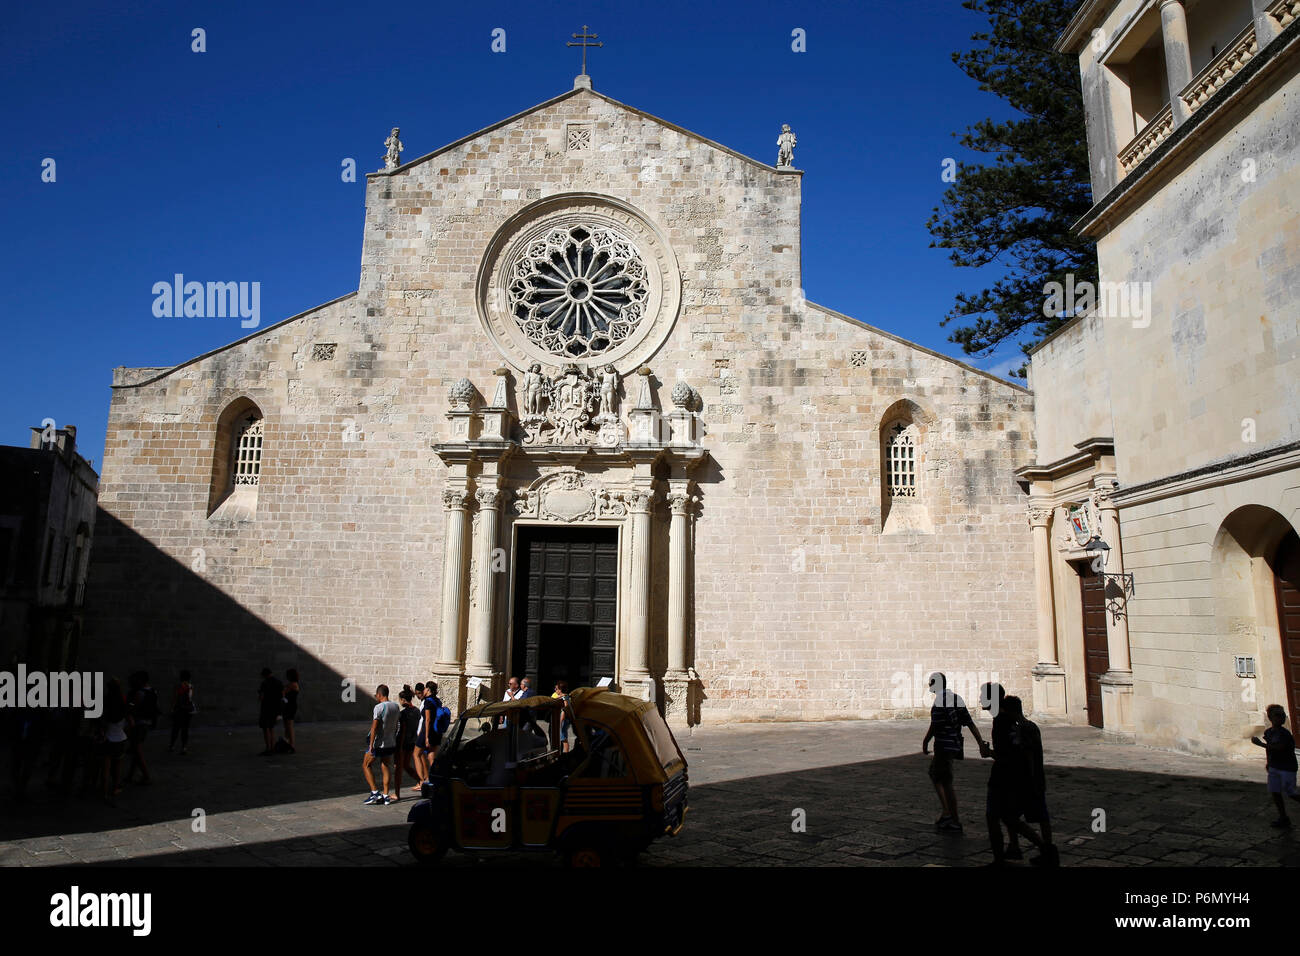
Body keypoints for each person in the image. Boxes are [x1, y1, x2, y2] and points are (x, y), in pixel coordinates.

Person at [979, 685, 1054, 865]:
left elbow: (1009, 754)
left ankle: (1006, 858)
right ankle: (1031, 848)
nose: (981, 698)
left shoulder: (1001, 721)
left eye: (983, 695)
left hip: (1003, 778)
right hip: (1011, 777)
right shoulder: (1007, 720)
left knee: (996, 817)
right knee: (1008, 818)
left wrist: (988, 752)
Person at [921, 672, 985, 832]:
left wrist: (925, 741)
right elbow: (969, 723)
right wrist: (980, 743)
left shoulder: (939, 702)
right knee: (937, 775)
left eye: (930, 683)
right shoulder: (957, 698)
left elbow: (934, 726)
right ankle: (948, 813)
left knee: (945, 781)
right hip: (955, 744)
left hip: (943, 746)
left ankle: (952, 816)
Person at [1251, 704, 1300, 828]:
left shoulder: (1285, 734)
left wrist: (1260, 744)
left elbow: (1279, 748)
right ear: (1270, 717)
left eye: (1282, 715)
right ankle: (1283, 817)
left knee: (1291, 792)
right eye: (1277, 715)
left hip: (1287, 766)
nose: (1281, 717)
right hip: (1275, 766)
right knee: (1275, 791)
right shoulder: (1269, 732)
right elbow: (1270, 750)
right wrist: (1268, 762)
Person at [363, 684, 400, 805]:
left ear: (379, 695)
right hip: (390, 742)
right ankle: (385, 794)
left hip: (379, 743)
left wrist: (371, 745)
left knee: (366, 765)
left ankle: (374, 792)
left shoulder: (379, 707)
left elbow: (374, 728)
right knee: (385, 766)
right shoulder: (395, 706)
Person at [124, 671, 157, 785]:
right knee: (135, 750)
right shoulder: (152, 690)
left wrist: (129, 704)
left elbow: (132, 707)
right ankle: (130, 775)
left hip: (138, 724)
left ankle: (146, 776)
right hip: (146, 723)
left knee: (137, 751)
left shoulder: (140, 693)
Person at [99, 678, 129, 806]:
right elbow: (131, 722)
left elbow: (102, 723)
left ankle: (104, 792)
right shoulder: (123, 704)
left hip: (108, 739)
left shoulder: (105, 704)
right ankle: (116, 788)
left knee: (105, 769)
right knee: (117, 767)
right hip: (121, 738)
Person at [394, 688, 421, 801]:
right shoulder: (417, 711)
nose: (399, 702)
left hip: (403, 743)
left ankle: (397, 794)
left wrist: (399, 746)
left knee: (398, 768)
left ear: (403, 700)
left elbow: (402, 731)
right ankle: (421, 782)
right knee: (406, 765)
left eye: (400, 699)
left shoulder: (403, 714)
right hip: (412, 742)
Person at [414, 682, 443, 782]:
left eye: (425, 688)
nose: (424, 690)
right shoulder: (437, 701)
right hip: (436, 731)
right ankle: (436, 777)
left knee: (416, 754)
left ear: (428, 690)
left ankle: (422, 781)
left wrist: (426, 737)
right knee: (431, 754)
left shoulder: (428, 702)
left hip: (427, 731)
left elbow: (428, 719)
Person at [168, 669, 196, 754]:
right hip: (188, 710)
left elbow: (176, 697)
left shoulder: (179, 686)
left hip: (179, 709)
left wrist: (172, 708)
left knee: (176, 728)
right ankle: (184, 747)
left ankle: (172, 746)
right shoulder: (190, 686)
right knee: (185, 729)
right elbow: (190, 698)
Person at [258, 668, 283, 756]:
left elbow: (261, 697)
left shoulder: (264, 683)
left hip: (266, 708)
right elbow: (282, 696)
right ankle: (272, 747)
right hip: (275, 708)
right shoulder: (279, 682)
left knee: (265, 728)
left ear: (264, 675)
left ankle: (268, 748)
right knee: (272, 728)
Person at [282, 668, 300, 753]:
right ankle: (287, 743)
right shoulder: (292, 684)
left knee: (289, 726)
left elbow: (283, 692)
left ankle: (292, 745)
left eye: (287, 675)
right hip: (289, 706)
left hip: (290, 706)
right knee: (287, 726)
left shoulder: (292, 684)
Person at [552, 681, 572, 752]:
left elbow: (565, 709)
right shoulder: (563, 696)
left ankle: (566, 754)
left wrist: (560, 721)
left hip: (563, 719)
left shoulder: (565, 697)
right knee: (561, 737)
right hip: (562, 719)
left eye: (556, 688)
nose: (555, 690)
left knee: (563, 738)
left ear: (560, 690)